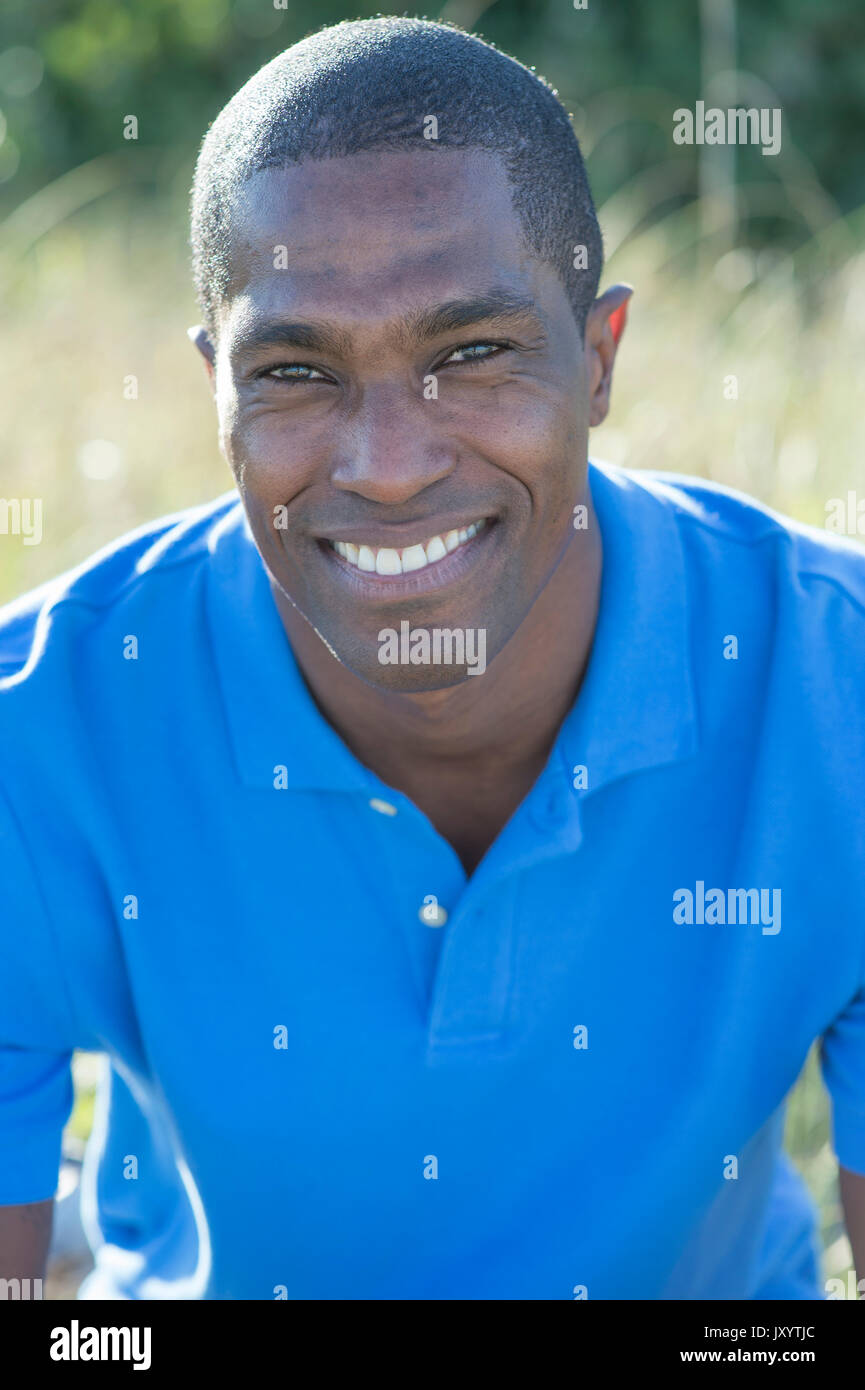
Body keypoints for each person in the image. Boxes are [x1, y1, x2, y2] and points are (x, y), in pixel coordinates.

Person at [1, 16, 863, 1301]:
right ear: (215, 394)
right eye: (295, 371)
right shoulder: (42, 730)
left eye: (473, 354)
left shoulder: (833, 696)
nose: (389, 465)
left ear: (601, 357)